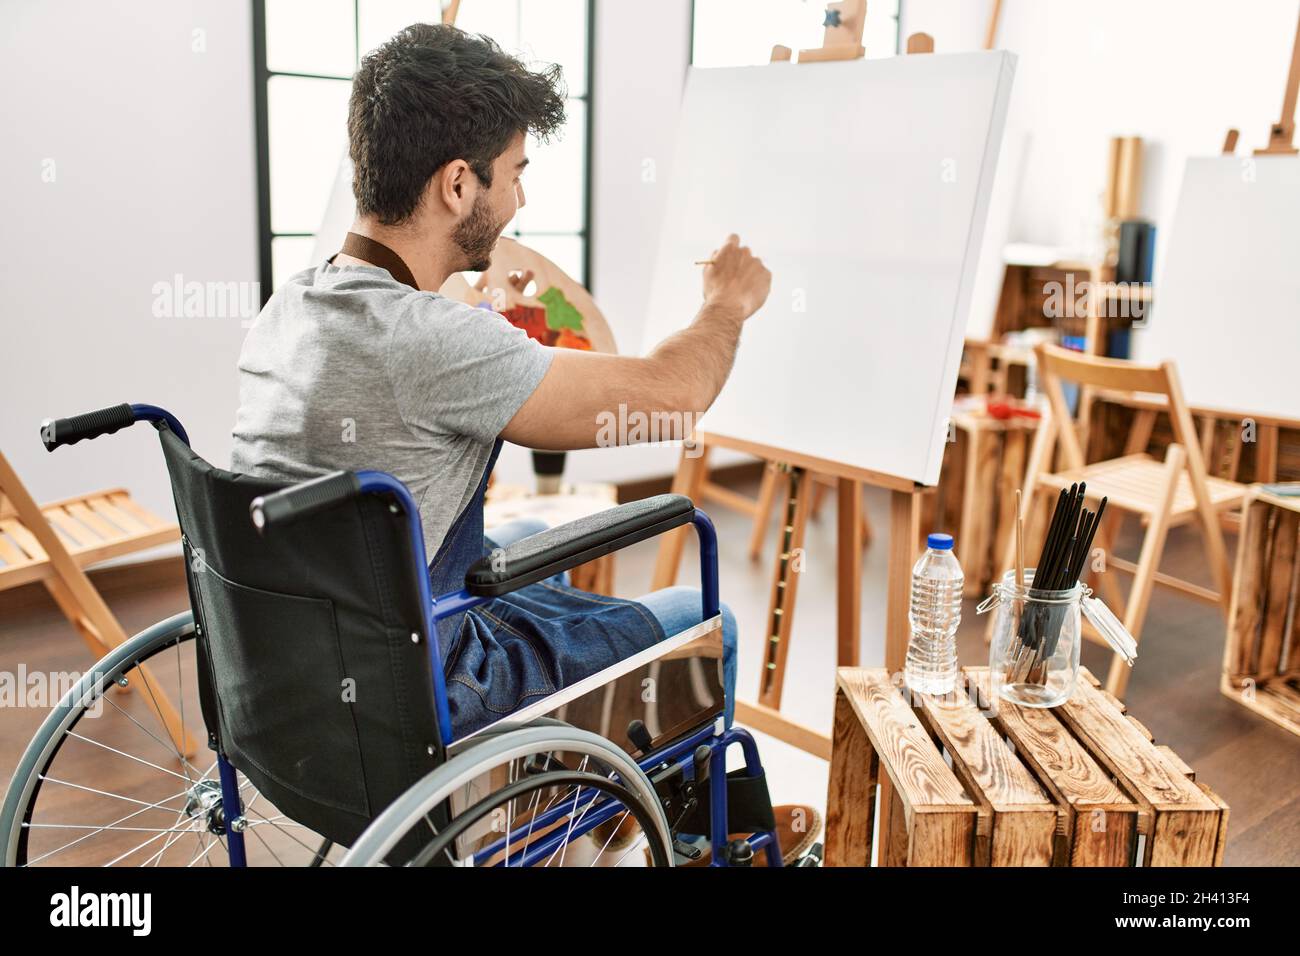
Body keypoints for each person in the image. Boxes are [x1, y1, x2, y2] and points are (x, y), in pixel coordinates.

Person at [232, 23, 813, 861]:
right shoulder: (437, 342)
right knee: (703, 612)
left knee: (533, 537)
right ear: (458, 185)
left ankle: (616, 803)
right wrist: (725, 305)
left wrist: (486, 336)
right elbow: (671, 399)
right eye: (516, 175)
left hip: (292, 676)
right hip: (419, 688)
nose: (523, 202)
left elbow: (414, 381)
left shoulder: (291, 307)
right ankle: (693, 822)